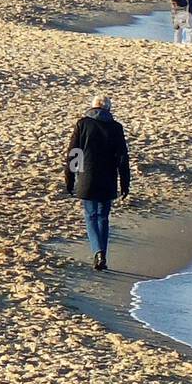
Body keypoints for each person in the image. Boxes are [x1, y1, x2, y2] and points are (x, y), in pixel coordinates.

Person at [64, 95, 131, 272]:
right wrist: (125, 182)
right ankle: (102, 255)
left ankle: (98, 252)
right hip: (108, 179)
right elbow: (123, 158)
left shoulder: (82, 124)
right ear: (108, 109)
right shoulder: (116, 127)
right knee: (102, 217)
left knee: (90, 216)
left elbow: (74, 153)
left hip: (86, 178)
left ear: (92, 107)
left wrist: (70, 178)